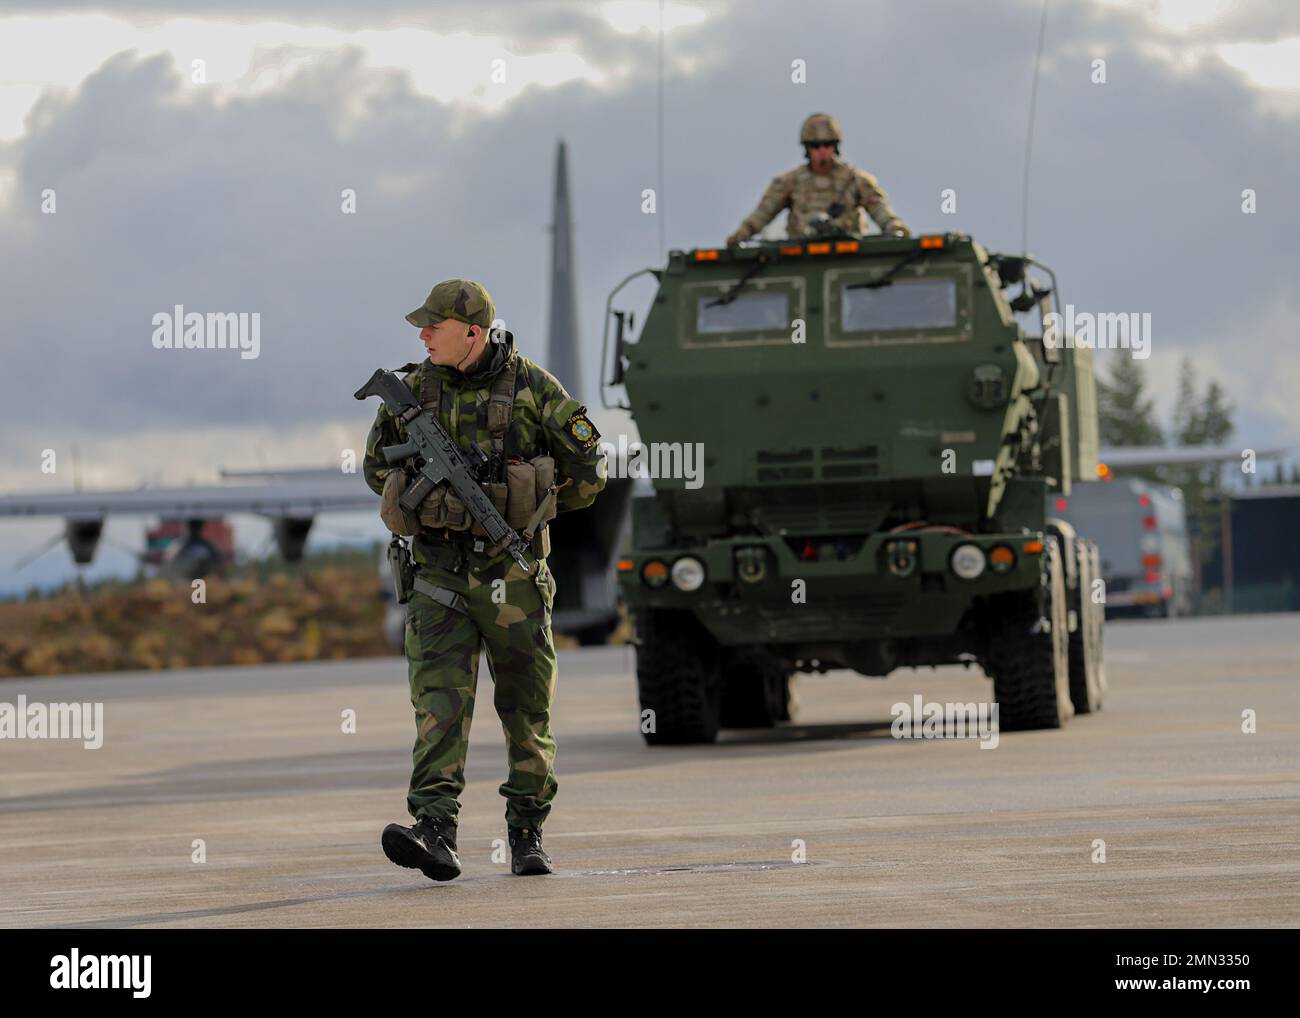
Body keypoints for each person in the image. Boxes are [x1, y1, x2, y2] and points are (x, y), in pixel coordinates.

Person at [362, 278, 607, 880]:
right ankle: (434, 829)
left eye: (434, 327)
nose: (422, 336)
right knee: (438, 707)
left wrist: (530, 504)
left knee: (526, 711)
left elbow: (590, 472)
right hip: (438, 576)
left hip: (513, 579)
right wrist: (425, 485)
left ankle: (527, 834)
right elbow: (375, 469)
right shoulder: (411, 390)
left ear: (472, 332)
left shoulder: (533, 388)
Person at [726, 113, 910, 245]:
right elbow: (764, 212)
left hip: (848, 254)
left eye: (827, 144)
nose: (822, 150)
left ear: (836, 146)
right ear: (807, 148)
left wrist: (894, 227)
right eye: (815, 145)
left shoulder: (856, 180)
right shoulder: (790, 182)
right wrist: (743, 233)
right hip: (801, 258)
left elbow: (879, 209)